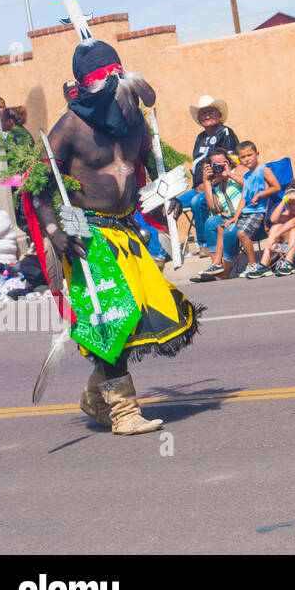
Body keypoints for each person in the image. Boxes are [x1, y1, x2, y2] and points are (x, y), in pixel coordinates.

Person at [28, 39, 200, 434]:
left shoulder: (134, 121)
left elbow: (151, 171)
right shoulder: (70, 126)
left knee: (148, 312)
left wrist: (164, 199)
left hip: (125, 230)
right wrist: (54, 230)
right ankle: (123, 412)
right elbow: (38, 186)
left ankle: (95, 396)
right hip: (85, 233)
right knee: (111, 318)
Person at [170, 96, 240, 253]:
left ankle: (205, 245)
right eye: (203, 113)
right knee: (171, 204)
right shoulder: (200, 138)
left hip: (219, 186)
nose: (207, 116)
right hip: (198, 187)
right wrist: (200, 183)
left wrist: (210, 182)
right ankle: (165, 250)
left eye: (211, 112)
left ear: (219, 115)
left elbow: (232, 163)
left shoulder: (226, 133)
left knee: (196, 202)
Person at [221, 141, 281, 280]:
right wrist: (236, 215)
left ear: (257, 154)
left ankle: (253, 264)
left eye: (250, 155)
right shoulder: (247, 176)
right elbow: (243, 198)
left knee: (242, 234)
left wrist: (259, 195)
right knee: (224, 227)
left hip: (258, 210)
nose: (247, 159)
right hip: (247, 211)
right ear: (239, 160)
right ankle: (219, 264)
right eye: (243, 157)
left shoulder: (263, 169)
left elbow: (276, 187)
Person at [189, 149, 244, 281]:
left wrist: (228, 174)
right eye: (216, 164)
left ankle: (224, 273)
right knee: (211, 222)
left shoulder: (239, 170)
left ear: (228, 161)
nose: (220, 165)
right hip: (229, 217)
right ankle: (216, 267)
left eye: (223, 162)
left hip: (244, 215)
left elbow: (248, 183)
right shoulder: (217, 183)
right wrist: (206, 181)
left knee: (229, 230)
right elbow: (214, 207)